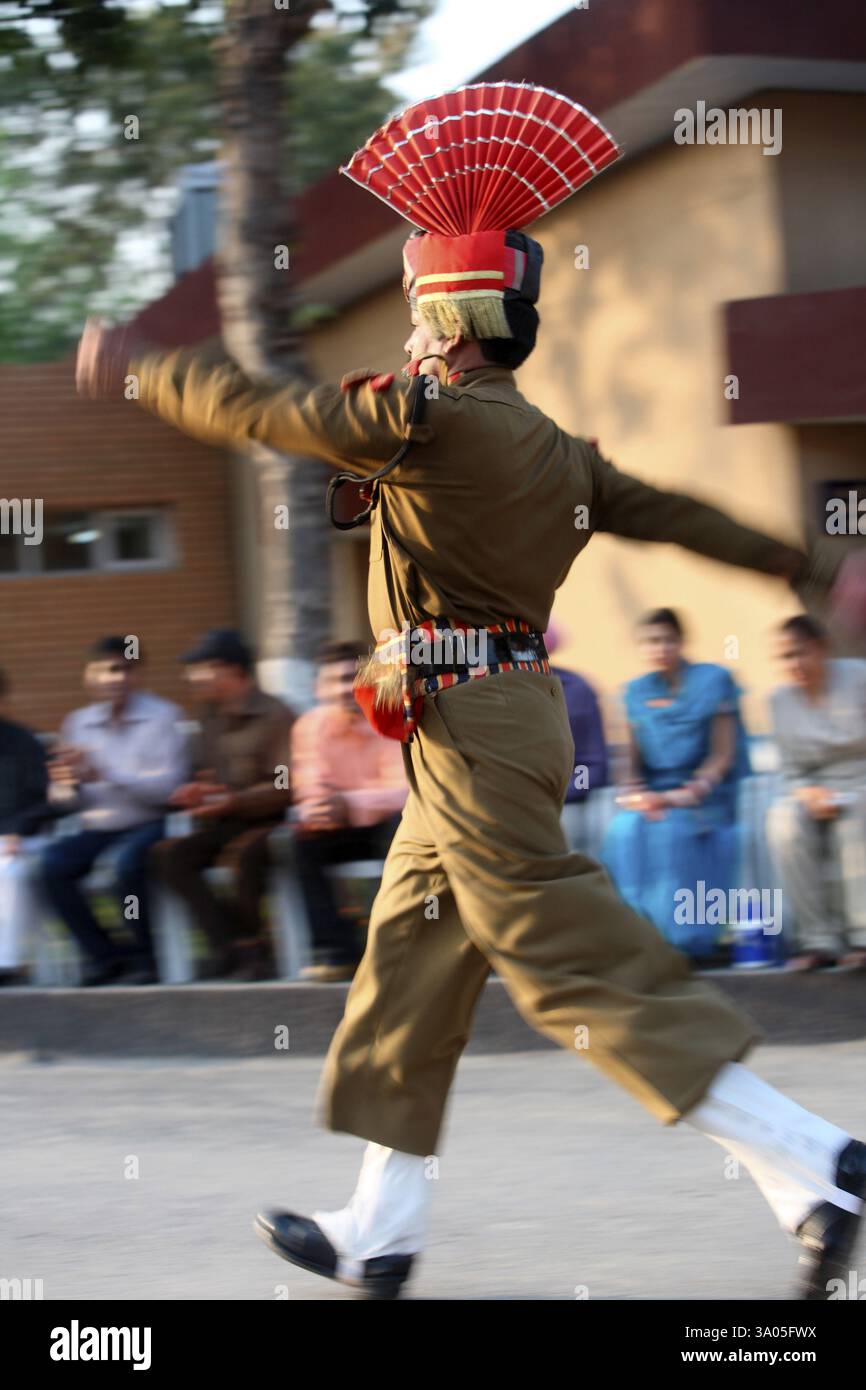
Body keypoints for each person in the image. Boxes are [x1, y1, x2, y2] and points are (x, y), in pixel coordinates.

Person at [76, 81, 866, 1301]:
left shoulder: (426, 419)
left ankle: (816, 1159)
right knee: (409, 963)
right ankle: (378, 1234)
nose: (400, 335)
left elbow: (265, 411)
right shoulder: (551, 448)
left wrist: (145, 372)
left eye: (408, 312)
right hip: (498, 721)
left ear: (445, 322)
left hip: (469, 731)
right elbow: (682, 513)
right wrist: (808, 560)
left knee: (564, 964)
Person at [601, 609, 750, 961]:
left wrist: (681, 796)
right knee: (624, 831)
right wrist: (638, 796)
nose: (661, 647)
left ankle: (686, 941)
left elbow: (722, 756)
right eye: (652, 640)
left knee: (672, 833)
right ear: (642, 647)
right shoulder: (636, 692)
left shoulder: (714, 680)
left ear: (681, 642)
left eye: (668, 639)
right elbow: (631, 765)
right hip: (655, 799)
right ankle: (638, 941)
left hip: (704, 796)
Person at [39, 637, 187, 986]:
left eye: (124, 670)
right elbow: (63, 801)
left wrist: (104, 772)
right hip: (98, 826)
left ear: (138, 675)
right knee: (52, 866)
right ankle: (104, 957)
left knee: (124, 867)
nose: (115, 678)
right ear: (89, 678)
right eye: (105, 671)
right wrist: (66, 783)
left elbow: (168, 790)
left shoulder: (164, 717)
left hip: (149, 822)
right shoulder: (77, 722)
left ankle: (142, 958)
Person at [152, 629, 294, 982]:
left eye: (200, 668)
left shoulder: (277, 715)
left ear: (231, 671)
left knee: (244, 857)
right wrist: (199, 791)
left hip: (273, 820)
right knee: (168, 855)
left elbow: (285, 784)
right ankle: (231, 946)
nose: (191, 677)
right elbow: (207, 774)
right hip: (225, 819)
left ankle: (250, 948)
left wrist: (236, 799)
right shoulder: (208, 717)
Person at [291, 640, 407, 982]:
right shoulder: (309, 726)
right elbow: (311, 782)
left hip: (392, 823)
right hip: (344, 825)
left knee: (403, 830)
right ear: (319, 688)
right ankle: (336, 951)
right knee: (301, 843)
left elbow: (404, 792)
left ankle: (401, 947)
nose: (347, 688)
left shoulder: (392, 716)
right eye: (336, 680)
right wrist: (318, 810)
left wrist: (349, 803)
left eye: (354, 677)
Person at [766, 614, 866, 972]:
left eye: (801, 653)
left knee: (855, 819)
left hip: (862, 782)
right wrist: (807, 792)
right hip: (814, 789)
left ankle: (861, 936)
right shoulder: (779, 700)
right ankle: (816, 939)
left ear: (821, 649)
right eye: (786, 656)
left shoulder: (859, 678)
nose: (794, 664)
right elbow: (789, 770)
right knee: (783, 822)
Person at [0, 668, 52, 984]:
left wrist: (16, 829)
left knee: (9, 870)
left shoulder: (25, 743)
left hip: (25, 837)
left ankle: (5, 963)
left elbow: (47, 799)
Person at [544, 621, 609, 853]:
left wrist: (561, 795)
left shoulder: (576, 689)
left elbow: (593, 762)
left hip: (567, 802)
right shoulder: (500, 690)